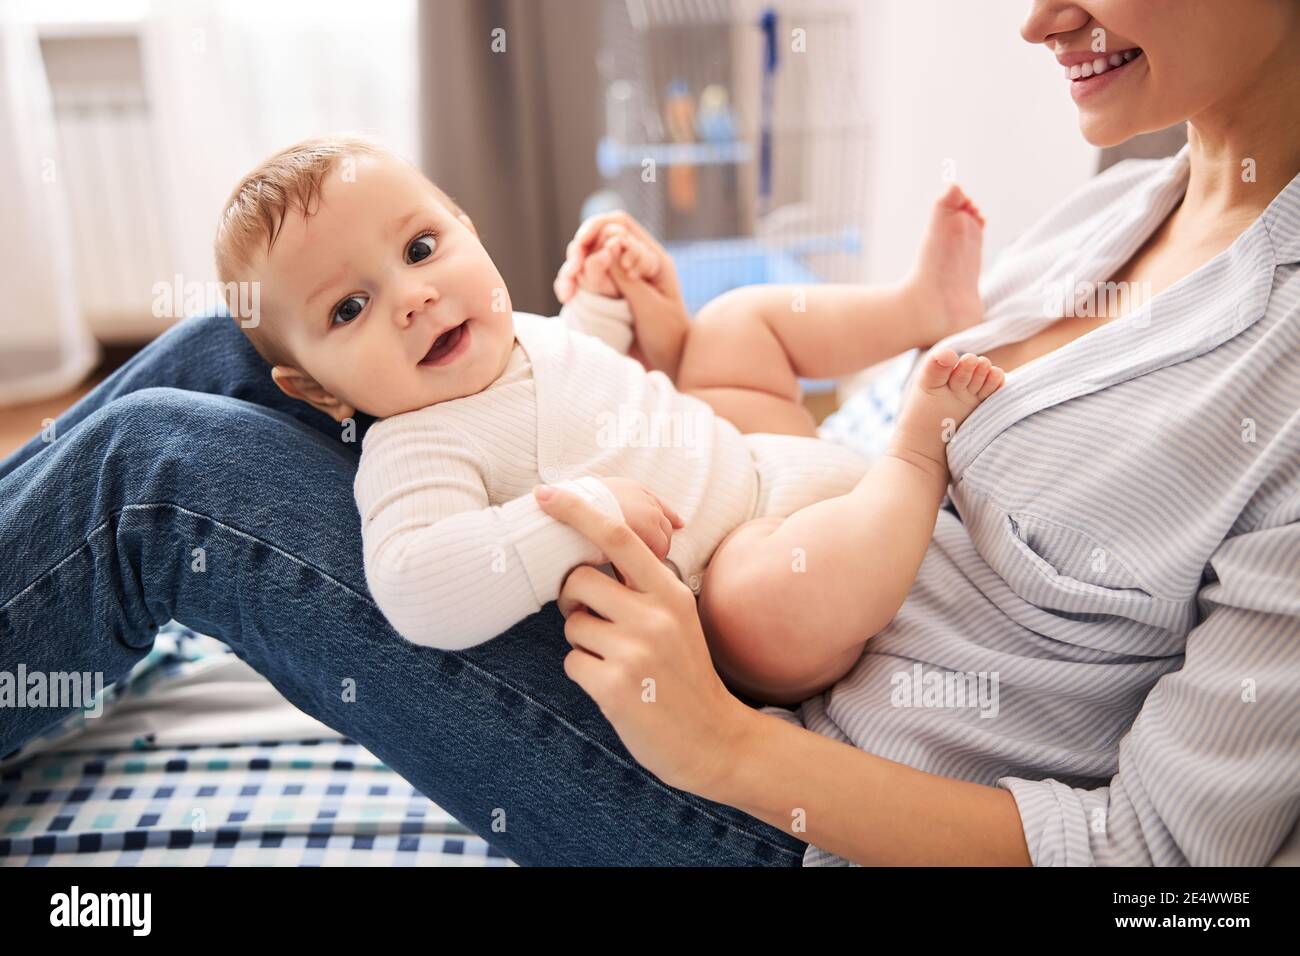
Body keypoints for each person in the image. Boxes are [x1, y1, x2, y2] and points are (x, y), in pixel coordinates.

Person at [2, 0, 1297, 865]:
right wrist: (666, 350)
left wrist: (730, 749)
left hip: (771, 797)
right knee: (241, 341)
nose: (1035, 19)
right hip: (744, 590)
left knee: (155, 475)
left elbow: (1162, 862)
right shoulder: (1131, 201)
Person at [212, 134, 1000, 703]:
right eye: (350, 308)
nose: (413, 296)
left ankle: (920, 307)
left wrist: (606, 291)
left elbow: (588, 365)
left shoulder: (527, 330)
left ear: (468, 229)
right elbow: (415, 584)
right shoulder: (417, 445)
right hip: (728, 575)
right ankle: (914, 463)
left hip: (760, 459)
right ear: (319, 392)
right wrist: (576, 521)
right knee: (766, 605)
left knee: (732, 324)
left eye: (420, 248)